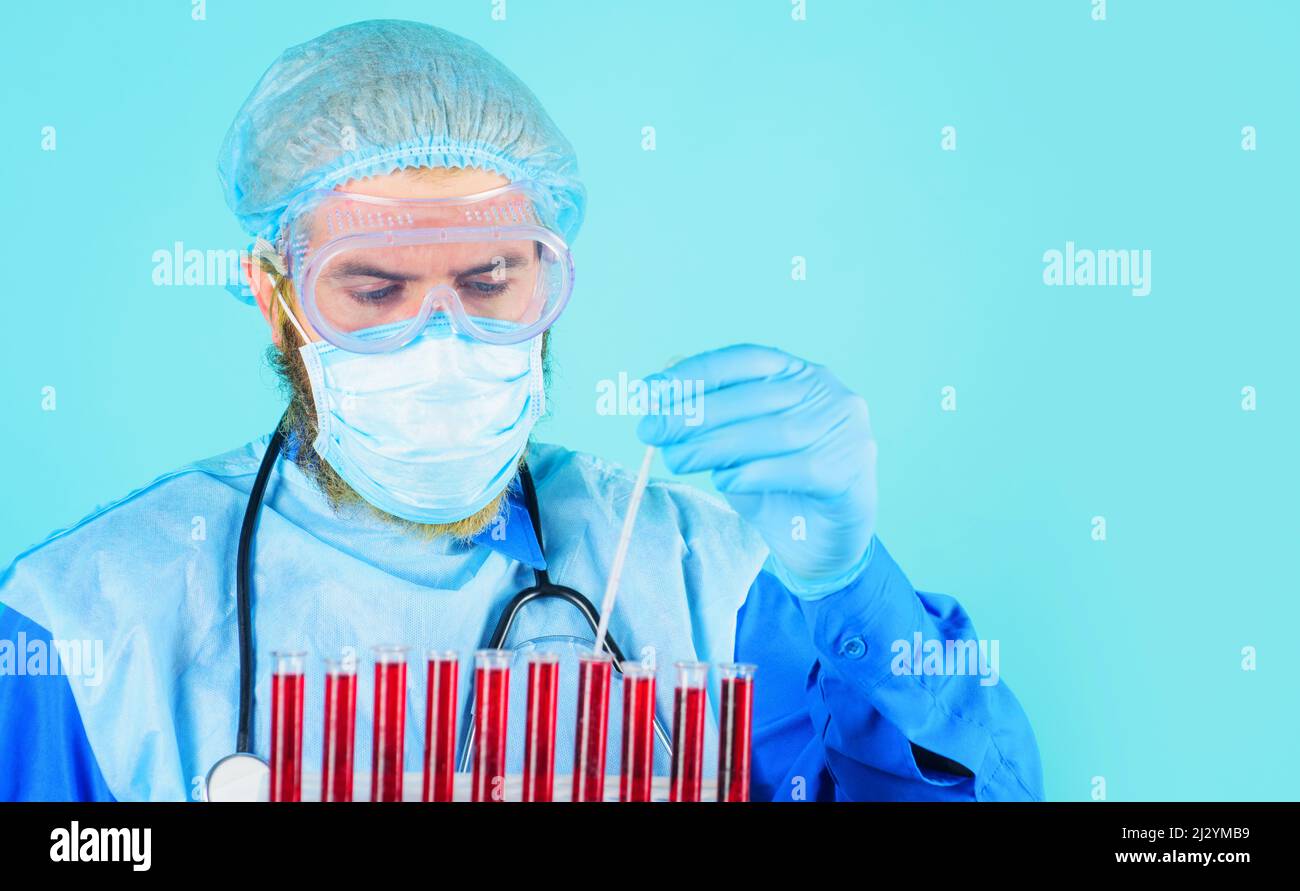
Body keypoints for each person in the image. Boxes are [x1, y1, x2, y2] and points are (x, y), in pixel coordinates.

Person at [0, 19, 1041, 802]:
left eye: (490, 281)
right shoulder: (88, 621)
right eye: (373, 292)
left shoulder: (704, 579)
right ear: (276, 300)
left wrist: (852, 589)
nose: (439, 340)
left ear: (548, 283)